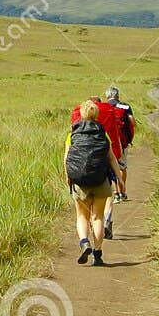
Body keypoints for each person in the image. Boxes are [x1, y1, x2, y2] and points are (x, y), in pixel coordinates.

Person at [64, 101, 123, 266]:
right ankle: (97, 254)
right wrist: (119, 180)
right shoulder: (103, 134)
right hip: (100, 181)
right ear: (97, 115)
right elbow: (112, 158)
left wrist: (69, 177)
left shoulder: (72, 134)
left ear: (81, 114)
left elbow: (67, 158)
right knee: (97, 218)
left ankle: (84, 242)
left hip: (80, 181)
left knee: (82, 216)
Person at [72, 90, 130, 237]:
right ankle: (107, 220)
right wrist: (120, 179)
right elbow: (115, 139)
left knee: (84, 211)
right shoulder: (108, 116)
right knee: (107, 194)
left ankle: (86, 237)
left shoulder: (77, 128)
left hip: (83, 168)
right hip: (107, 158)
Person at [105, 85, 136, 207]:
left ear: (107, 96)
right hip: (122, 143)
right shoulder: (125, 106)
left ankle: (115, 192)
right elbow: (132, 122)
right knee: (122, 167)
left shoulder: (104, 107)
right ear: (118, 96)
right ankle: (123, 191)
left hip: (107, 144)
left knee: (111, 166)